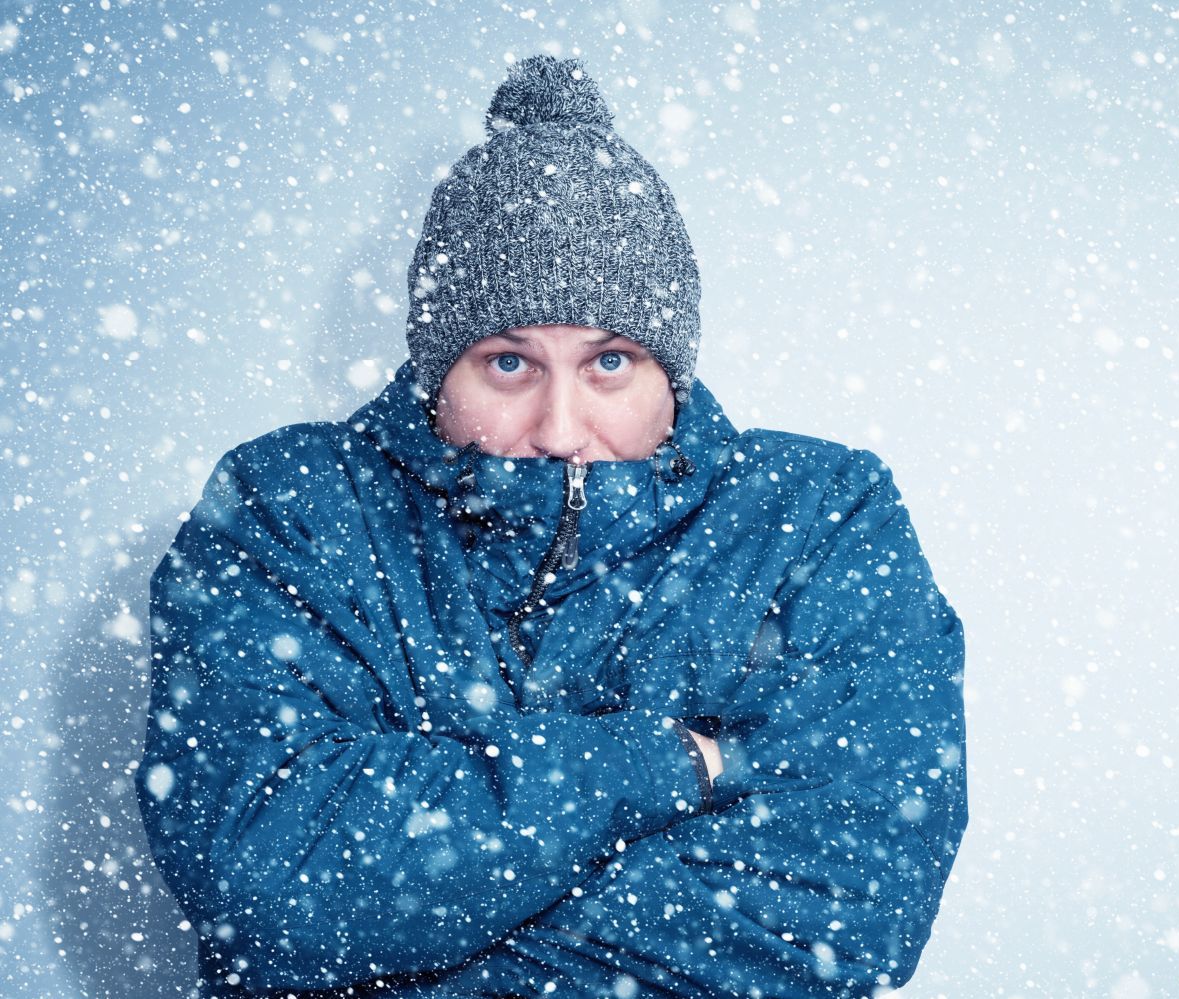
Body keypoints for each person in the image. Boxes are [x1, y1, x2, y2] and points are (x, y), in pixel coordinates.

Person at [136, 54, 968, 999]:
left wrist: (421, 935)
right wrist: (673, 763)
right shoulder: (293, 504)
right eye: (509, 363)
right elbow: (267, 880)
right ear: (437, 371)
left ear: (671, 372)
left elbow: (849, 900)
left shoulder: (815, 514)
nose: (561, 428)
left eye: (608, 362)